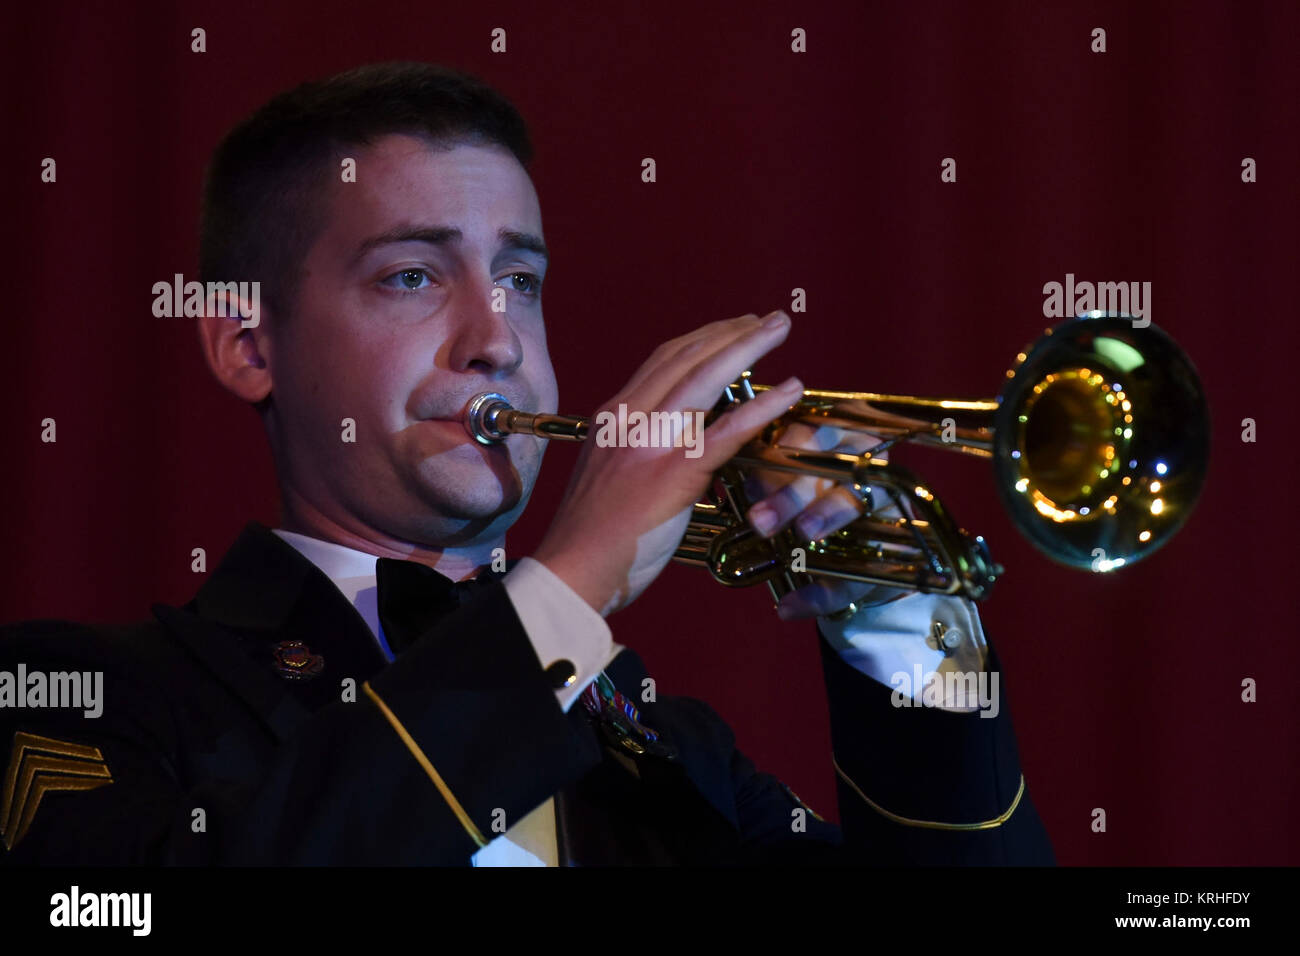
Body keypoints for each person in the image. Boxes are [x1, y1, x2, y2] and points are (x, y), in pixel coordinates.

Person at [0, 62, 1053, 866]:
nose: (495, 338)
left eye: (521, 278)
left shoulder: (670, 750)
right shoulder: (85, 694)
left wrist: (901, 632)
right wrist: (570, 585)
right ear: (247, 343)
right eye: (412, 275)